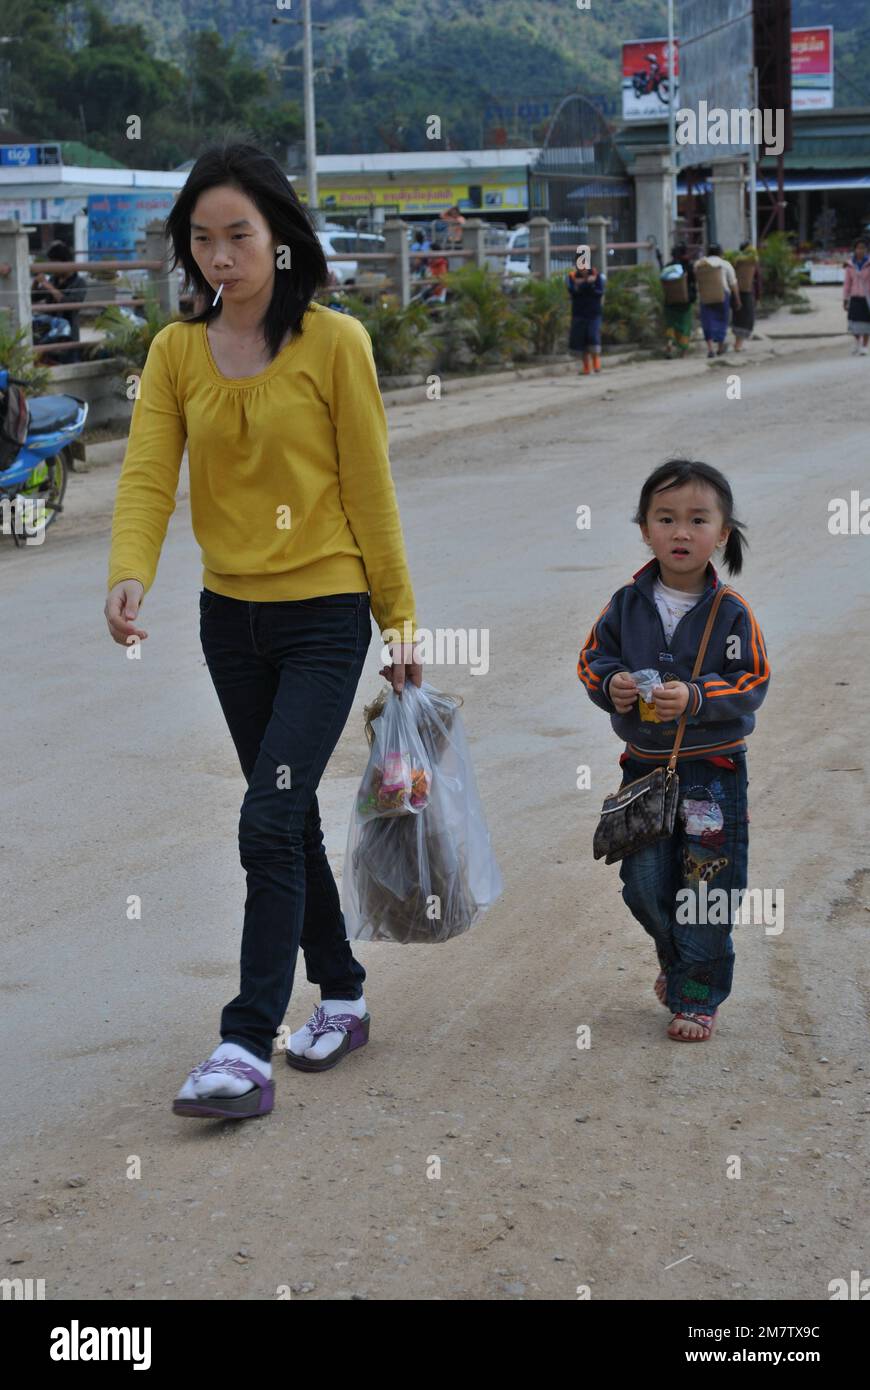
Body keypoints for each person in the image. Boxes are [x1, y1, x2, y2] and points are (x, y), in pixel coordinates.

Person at [104, 140, 421, 1121]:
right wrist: (129, 570)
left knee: (265, 817)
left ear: (281, 237)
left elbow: (371, 488)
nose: (219, 256)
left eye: (238, 234)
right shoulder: (174, 352)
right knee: (284, 815)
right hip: (226, 618)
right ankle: (346, 991)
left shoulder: (336, 344)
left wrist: (401, 618)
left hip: (325, 616)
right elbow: (150, 475)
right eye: (202, 238)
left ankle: (245, 1043)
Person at [577, 459, 770, 1042]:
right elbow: (593, 661)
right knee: (642, 882)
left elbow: (753, 679)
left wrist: (694, 696)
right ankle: (678, 958)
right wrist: (609, 685)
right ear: (644, 529)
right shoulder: (626, 604)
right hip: (645, 773)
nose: (680, 532)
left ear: (722, 533)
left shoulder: (731, 611)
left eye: (696, 520)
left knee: (707, 886)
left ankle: (697, 994)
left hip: (713, 774)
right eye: (666, 519)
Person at [30, 239, 88, 363]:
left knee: (70, 365)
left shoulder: (79, 282)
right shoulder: (53, 279)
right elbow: (33, 298)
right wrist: (36, 282)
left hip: (68, 336)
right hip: (49, 334)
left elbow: (70, 304)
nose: (53, 268)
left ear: (65, 263)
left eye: (54, 264)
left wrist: (47, 285)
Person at [694, 243, 741, 358]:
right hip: (722, 295)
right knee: (722, 321)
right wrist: (737, 299)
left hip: (705, 296)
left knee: (707, 321)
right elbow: (733, 283)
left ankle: (710, 349)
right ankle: (720, 348)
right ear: (720, 253)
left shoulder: (699, 264)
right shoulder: (725, 264)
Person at [566, 255, 606, 375]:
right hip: (579, 313)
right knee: (581, 340)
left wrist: (584, 285)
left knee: (593, 337)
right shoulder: (571, 277)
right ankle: (586, 368)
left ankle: (597, 365)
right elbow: (574, 292)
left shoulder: (597, 276)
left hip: (594, 312)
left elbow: (599, 292)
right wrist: (587, 283)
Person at [659, 242, 697, 359]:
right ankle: (683, 352)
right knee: (684, 326)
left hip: (669, 301)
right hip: (685, 302)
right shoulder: (688, 266)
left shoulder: (668, 267)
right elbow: (693, 281)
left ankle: (669, 344)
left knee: (671, 324)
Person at [731, 242, 761, 353]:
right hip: (748, 294)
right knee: (747, 320)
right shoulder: (751, 264)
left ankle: (737, 344)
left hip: (735, 293)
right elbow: (758, 281)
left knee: (738, 318)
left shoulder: (735, 262)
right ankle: (738, 345)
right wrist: (758, 296)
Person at [843, 236, 870, 355]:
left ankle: (864, 346)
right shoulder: (849, 265)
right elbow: (847, 283)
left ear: (866, 250)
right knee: (853, 322)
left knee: (866, 323)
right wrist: (845, 298)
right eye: (858, 248)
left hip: (867, 297)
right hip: (854, 297)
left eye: (863, 248)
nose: (861, 250)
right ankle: (857, 342)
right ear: (854, 249)